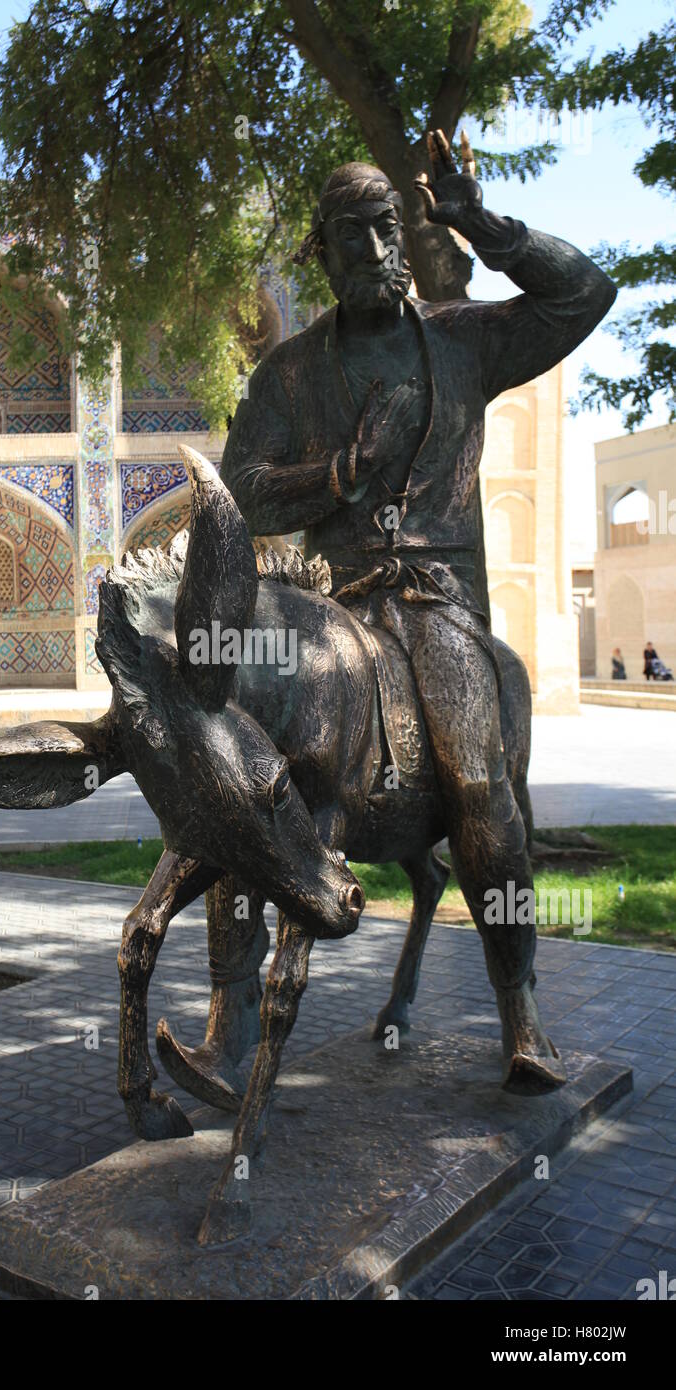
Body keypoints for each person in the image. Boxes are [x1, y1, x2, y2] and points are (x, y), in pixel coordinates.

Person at [221, 129, 616, 1085]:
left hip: (433, 603)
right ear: (320, 254)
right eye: (347, 236)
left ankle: (519, 1008)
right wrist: (344, 471)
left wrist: (484, 223)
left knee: (480, 786)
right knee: (231, 777)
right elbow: (242, 491)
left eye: (384, 227)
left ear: (406, 234)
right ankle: (227, 1027)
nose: (371, 249)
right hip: (330, 601)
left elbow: (586, 295)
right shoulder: (290, 373)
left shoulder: (462, 342)